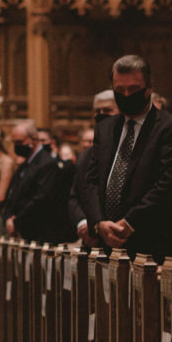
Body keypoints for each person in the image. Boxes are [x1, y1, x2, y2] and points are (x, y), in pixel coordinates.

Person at [83, 55, 172, 260]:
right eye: (120, 90)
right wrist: (99, 223)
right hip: (105, 242)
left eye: (134, 89)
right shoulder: (105, 128)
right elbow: (91, 180)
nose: (127, 94)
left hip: (150, 240)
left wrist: (129, 223)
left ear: (150, 88)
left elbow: (168, 183)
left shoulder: (170, 128)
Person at [69, 90, 119, 245]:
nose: (101, 114)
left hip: (119, 235)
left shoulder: (129, 150)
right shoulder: (86, 155)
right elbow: (75, 196)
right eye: (98, 111)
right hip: (92, 238)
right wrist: (84, 223)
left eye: (108, 110)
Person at [3, 119, 61, 243]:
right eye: (14, 142)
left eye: (20, 142)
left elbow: (41, 198)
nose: (16, 146)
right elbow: (13, 194)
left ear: (34, 139)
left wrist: (16, 220)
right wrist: (9, 218)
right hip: (21, 229)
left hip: (39, 231)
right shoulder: (25, 163)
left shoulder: (47, 163)